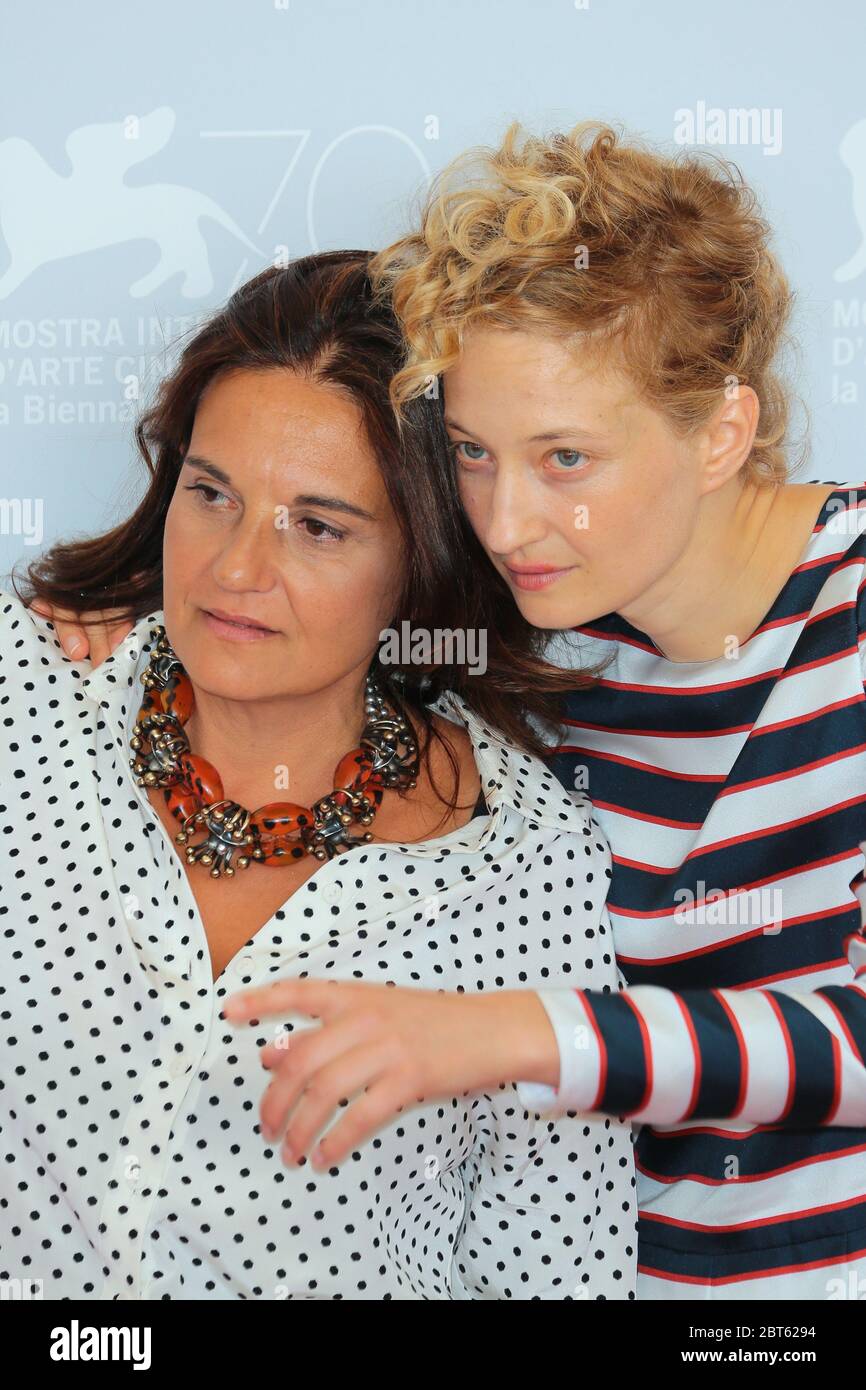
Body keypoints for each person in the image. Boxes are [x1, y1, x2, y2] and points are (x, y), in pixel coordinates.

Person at [36, 122, 866, 1301]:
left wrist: (508, 1032)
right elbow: (298, 562)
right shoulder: (547, 641)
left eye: (564, 458)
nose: (506, 517)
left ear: (720, 430)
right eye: (472, 452)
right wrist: (117, 610)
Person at [1, 249, 637, 1301]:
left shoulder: (525, 864)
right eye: (211, 494)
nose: (237, 568)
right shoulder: (32, 700)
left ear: (420, 559)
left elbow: (559, 1269)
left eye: (317, 524)